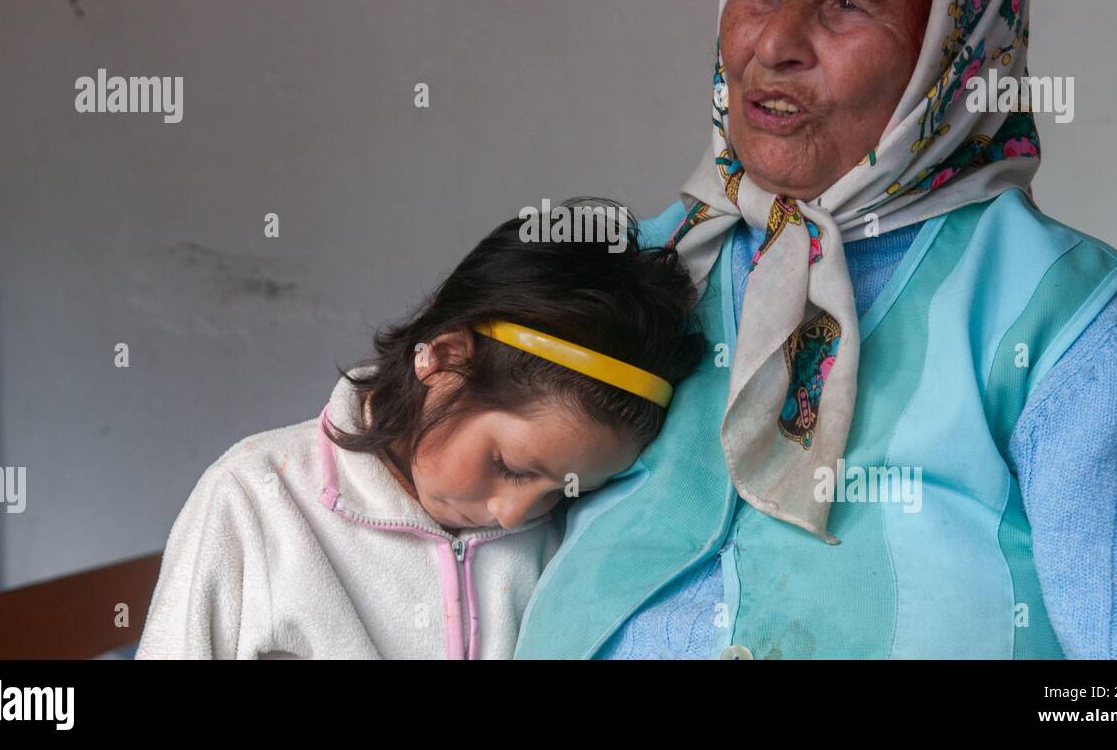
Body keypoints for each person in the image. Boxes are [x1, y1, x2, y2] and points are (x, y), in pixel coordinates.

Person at [514, 0, 1117, 659]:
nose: (775, 45)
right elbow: (413, 473)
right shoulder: (632, 271)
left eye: (844, 3)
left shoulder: (1078, 333)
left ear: (948, 50)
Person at [136, 201, 707, 658]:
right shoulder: (254, 500)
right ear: (445, 359)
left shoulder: (557, 539)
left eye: (563, 490)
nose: (516, 515)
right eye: (509, 467)